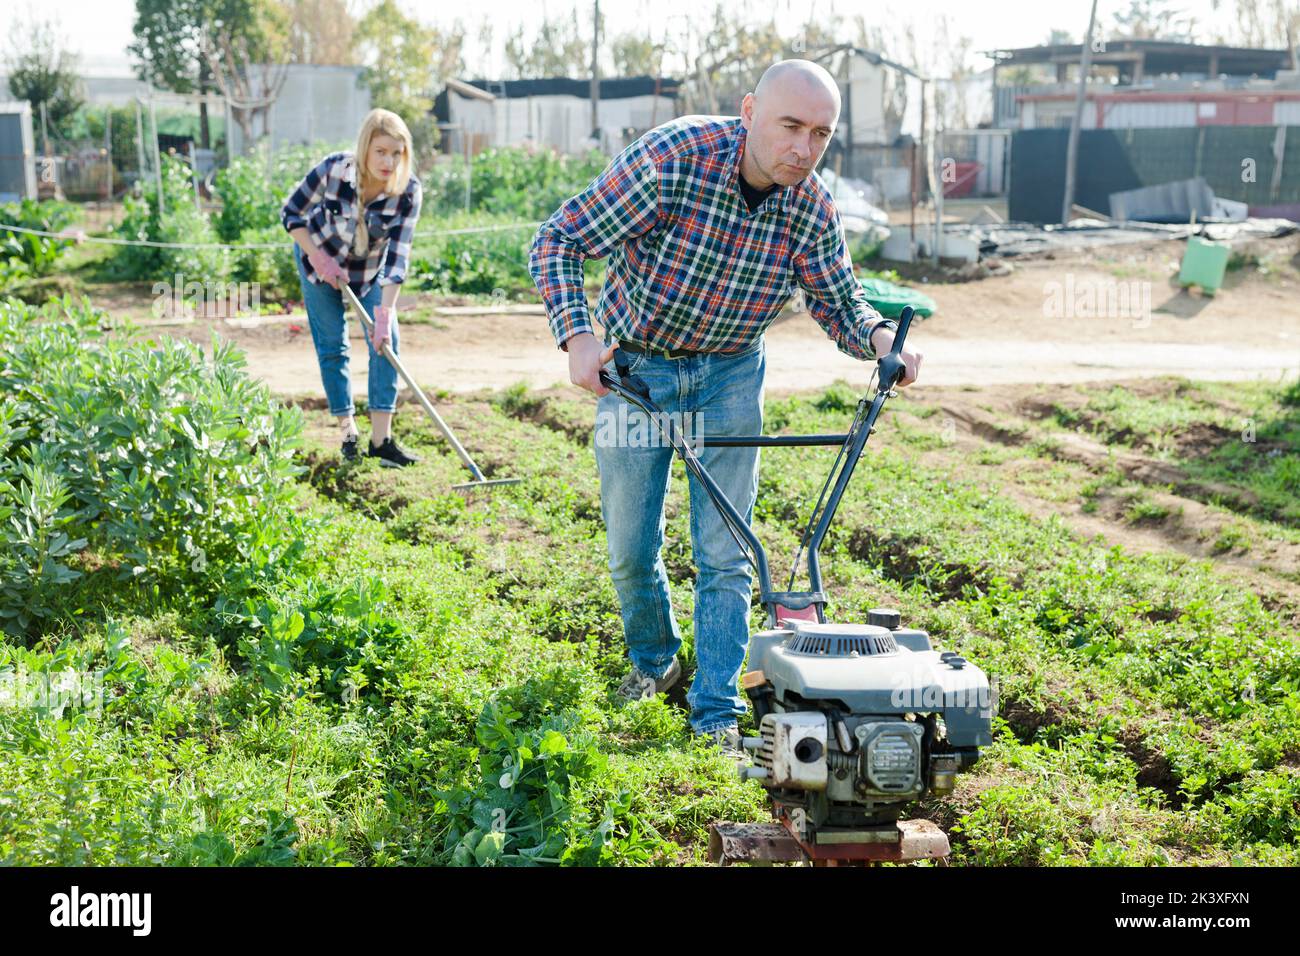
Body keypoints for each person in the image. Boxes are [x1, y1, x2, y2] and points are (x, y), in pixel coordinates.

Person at [528, 59, 923, 753]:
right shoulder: (673, 160)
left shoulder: (810, 203)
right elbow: (559, 238)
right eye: (790, 126)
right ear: (749, 112)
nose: (803, 148)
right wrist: (579, 336)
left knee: (727, 553)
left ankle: (715, 712)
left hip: (731, 376)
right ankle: (655, 663)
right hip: (637, 373)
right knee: (630, 548)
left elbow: (839, 300)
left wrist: (882, 340)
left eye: (821, 134)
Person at [281, 108, 424, 467]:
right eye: (381, 151)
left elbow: (398, 257)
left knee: (386, 342)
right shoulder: (334, 171)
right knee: (333, 348)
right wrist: (316, 256)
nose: (389, 161)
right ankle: (349, 435)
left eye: (396, 152)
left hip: (368, 274)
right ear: (365, 149)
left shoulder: (407, 191)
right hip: (319, 267)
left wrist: (384, 313)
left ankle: (382, 442)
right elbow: (291, 212)